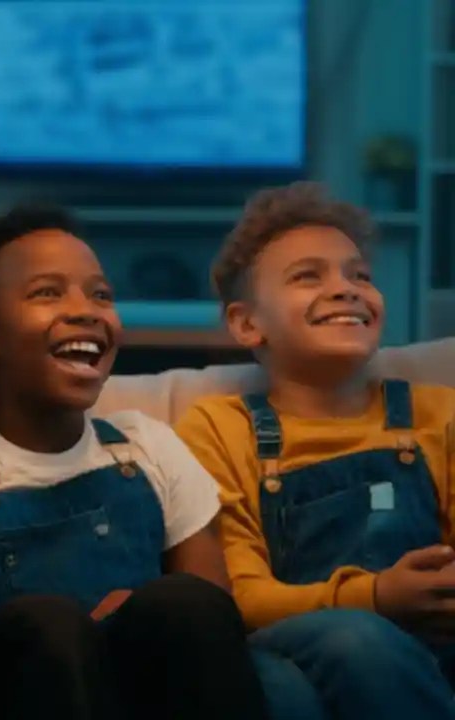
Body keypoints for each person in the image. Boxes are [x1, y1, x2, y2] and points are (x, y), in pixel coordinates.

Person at [0, 205, 271, 719]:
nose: (85, 310)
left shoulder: (148, 447)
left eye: (100, 294)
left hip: (150, 693)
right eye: (47, 293)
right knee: (49, 623)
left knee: (183, 602)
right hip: (31, 695)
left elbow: (211, 618)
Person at [174, 182, 455, 719]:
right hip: (291, 646)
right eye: (308, 276)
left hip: (435, 650)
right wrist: (375, 597)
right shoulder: (219, 428)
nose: (346, 289)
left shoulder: (440, 413)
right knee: (323, 664)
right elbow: (241, 598)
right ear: (246, 323)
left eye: (361, 275)